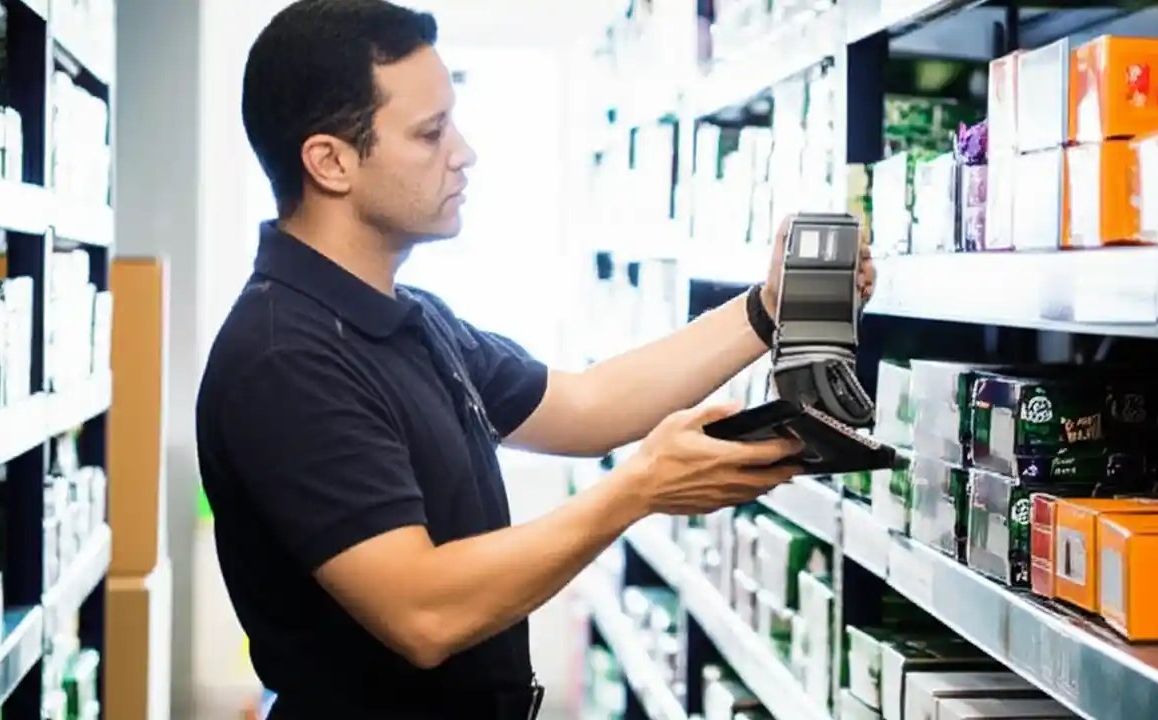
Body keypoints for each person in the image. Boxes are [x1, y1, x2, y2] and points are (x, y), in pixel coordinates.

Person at [195, 1, 875, 717]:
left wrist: (765, 310)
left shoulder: (412, 318)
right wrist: (636, 492)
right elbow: (423, 614)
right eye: (430, 133)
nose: (463, 151)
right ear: (330, 162)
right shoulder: (285, 358)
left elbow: (585, 406)